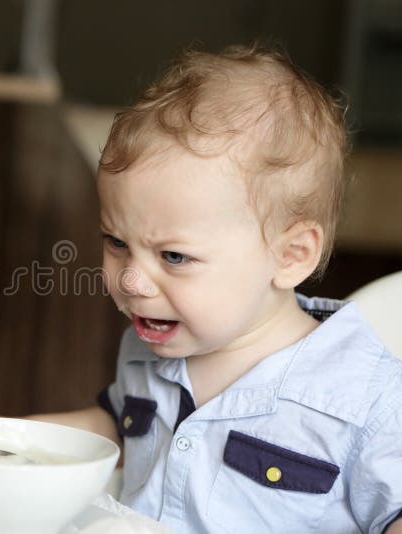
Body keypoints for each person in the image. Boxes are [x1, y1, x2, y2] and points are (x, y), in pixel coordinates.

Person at [28, 44, 402, 533]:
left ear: (291, 255)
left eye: (174, 256)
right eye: (117, 242)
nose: (132, 280)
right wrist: (3, 437)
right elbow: (116, 429)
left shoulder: (363, 397)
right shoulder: (148, 349)